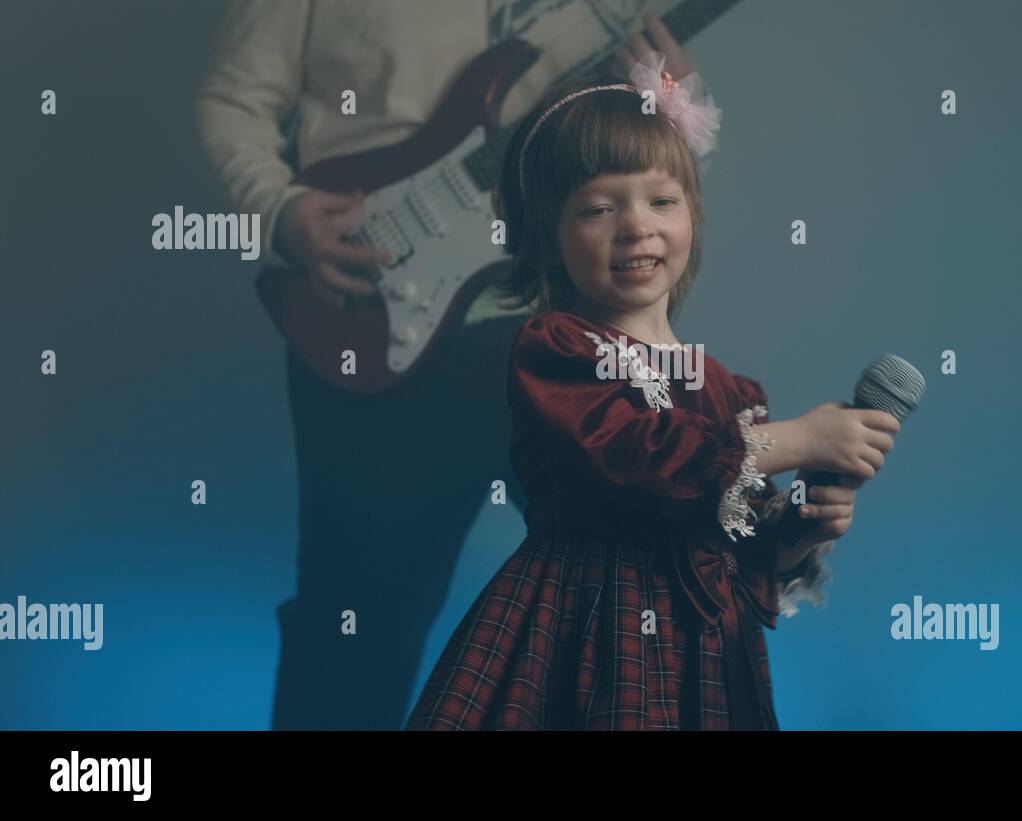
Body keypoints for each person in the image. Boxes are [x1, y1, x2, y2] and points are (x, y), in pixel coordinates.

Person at [193, 0, 701, 730]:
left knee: (635, 604)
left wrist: (672, 117)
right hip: (377, 317)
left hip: (569, 329)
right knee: (354, 631)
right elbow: (232, 98)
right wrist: (279, 211)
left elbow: (651, 184)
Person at [405, 56, 900, 730]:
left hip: (699, 658)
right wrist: (796, 438)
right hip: (578, 632)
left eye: (660, 200)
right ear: (549, 238)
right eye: (598, 208)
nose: (636, 225)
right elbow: (640, 454)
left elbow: (738, 550)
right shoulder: (556, 349)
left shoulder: (727, 389)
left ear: (691, 213)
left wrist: (804, 521)